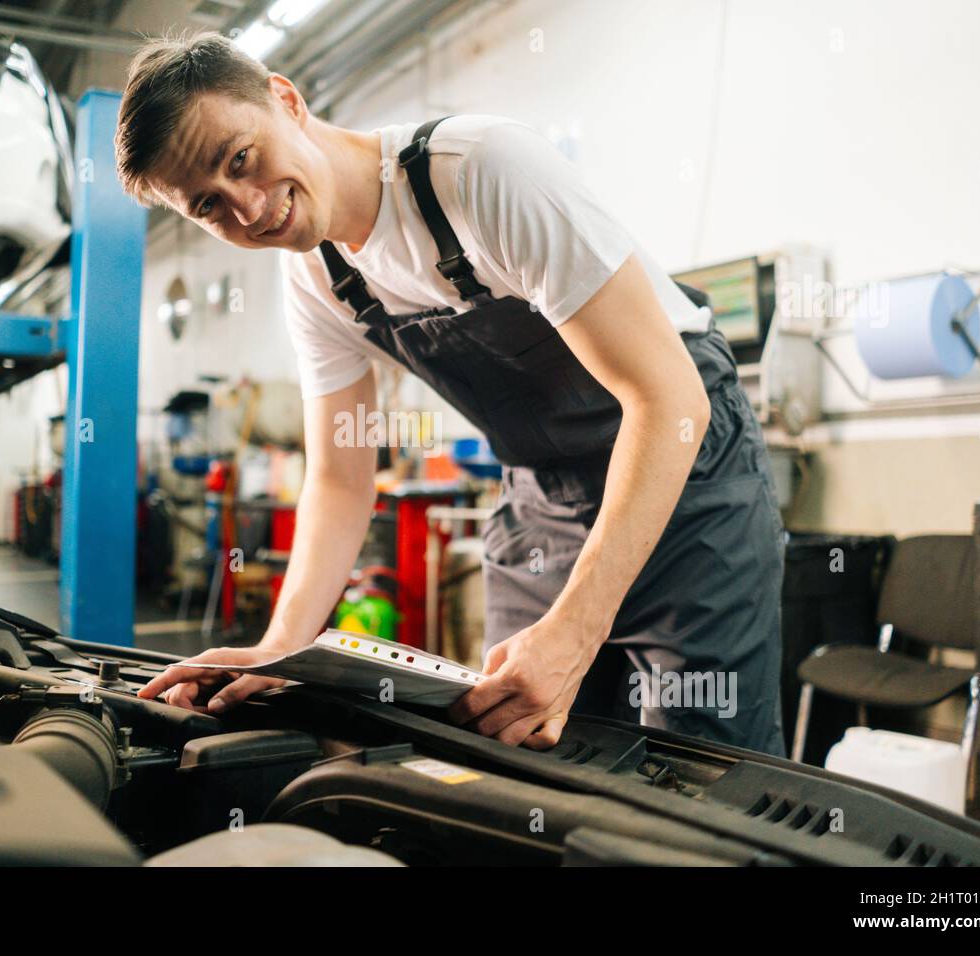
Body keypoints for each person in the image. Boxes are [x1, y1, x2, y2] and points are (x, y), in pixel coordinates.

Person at [118, 33, 785, 754]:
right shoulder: (315, 278)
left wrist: (575, 630)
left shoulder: (483, 173)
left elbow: (670, 401)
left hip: (686, 481)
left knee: (701, 771)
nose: (248, 210)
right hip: (543, 499)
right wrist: (281, 648)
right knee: (519, 748)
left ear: (285, 99)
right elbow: (341, 479)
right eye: (209, 206)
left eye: (240, 159)